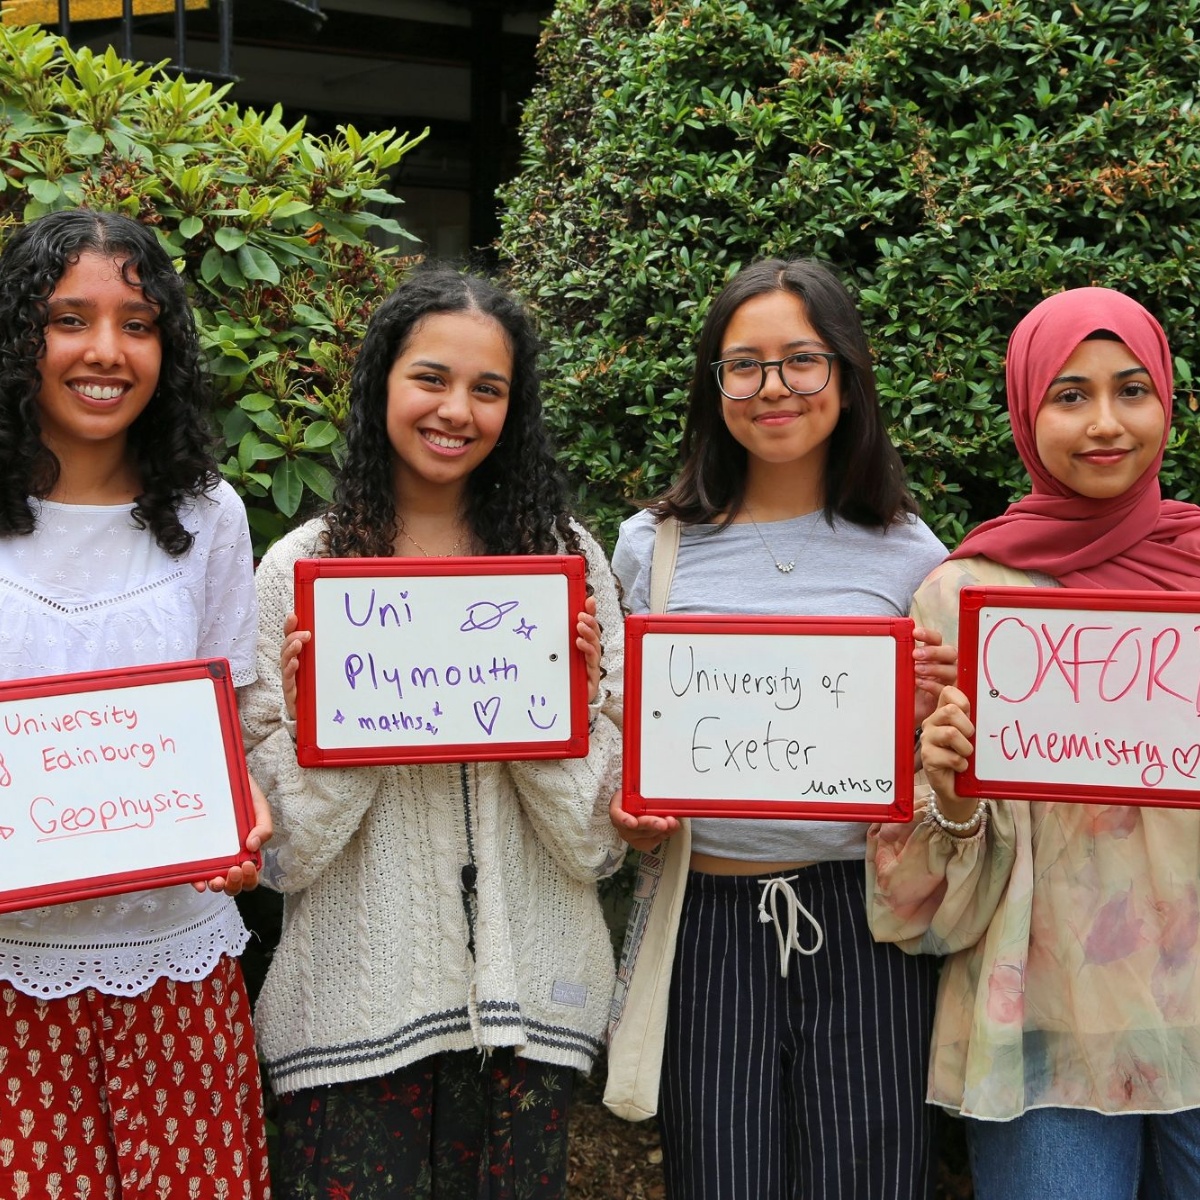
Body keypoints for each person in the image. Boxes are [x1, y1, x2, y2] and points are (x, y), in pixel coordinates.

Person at [240, 265, 625, 1199]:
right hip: (348, 1019)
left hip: (531, 1015)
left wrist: (561, 713)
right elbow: (281, 858)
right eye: (430, 378)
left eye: (487, 389)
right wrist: (333, 721)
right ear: (380, 387)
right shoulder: (301, 572)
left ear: (513, 409)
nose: (456, 409)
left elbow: (596, 845)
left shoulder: (567, 564)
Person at [608, 258, 952, 1199]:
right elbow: (620, 728)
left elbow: (938, 763)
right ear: (713, 385)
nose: (773, 389)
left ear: (845, 377)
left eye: (802, 361)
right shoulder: (651, 545)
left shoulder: (913, 552)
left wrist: (925, 721)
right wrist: (628, 807)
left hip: (865, 920)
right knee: (716, 1175)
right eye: (744, 365)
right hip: (707, 917)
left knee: (873, 1177)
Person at [868, 287, 1200, 1199]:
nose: (1105, 423)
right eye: (1069, 395)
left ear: (1167, 400)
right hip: (1043, 1036)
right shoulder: (962, 597)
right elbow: (905, 895)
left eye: (1132, 390)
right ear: (1025, 410)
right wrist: (954, 791)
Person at [0, 209, 272, 1197]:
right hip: (7, 976)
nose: (105, 351)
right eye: (68, 319)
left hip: (174, 967)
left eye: (139, 322)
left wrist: (246, 816)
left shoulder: (210, 518)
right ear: (19, 339)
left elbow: (225, 737)